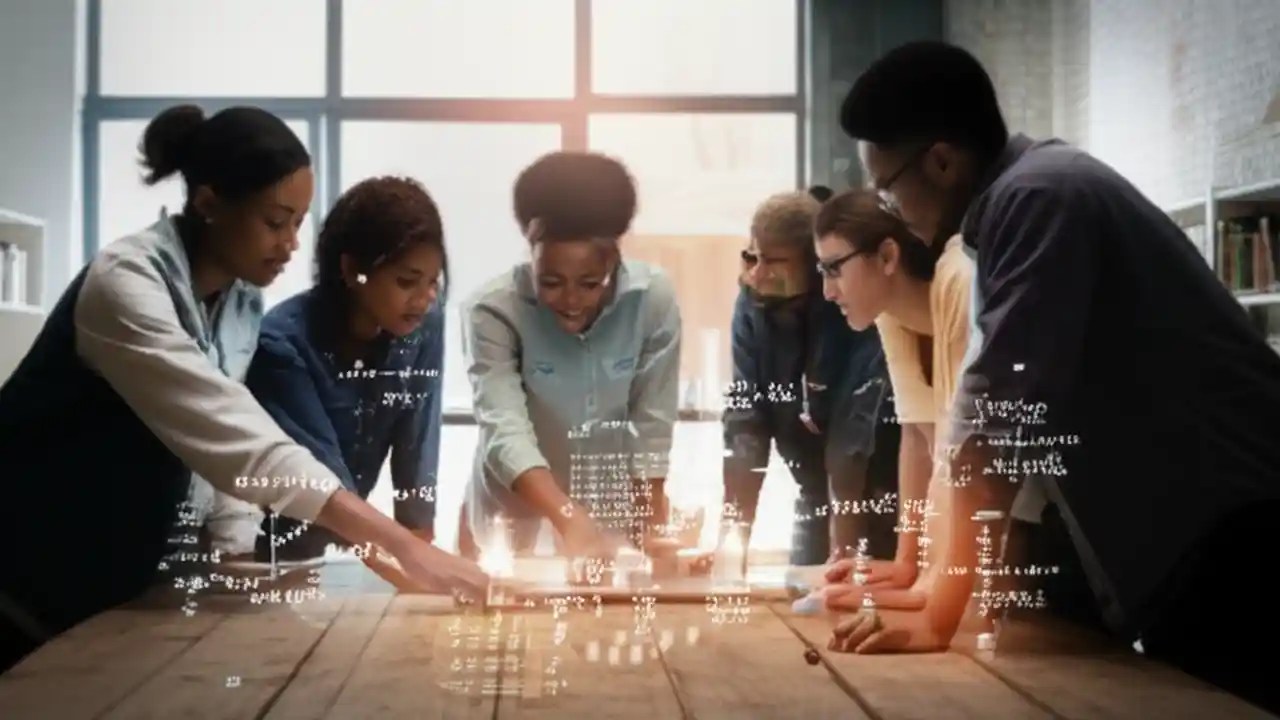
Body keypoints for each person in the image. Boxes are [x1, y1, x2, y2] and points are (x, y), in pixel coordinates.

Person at [826, 40, 1280, 715]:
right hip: (1202, 526)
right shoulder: (1028, 196)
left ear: (942, 161)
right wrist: (938, 583)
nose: (892, 209)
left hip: (1234, 530)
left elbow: (999, 412)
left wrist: (938, 609)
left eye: (888, 189)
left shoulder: (1039, 197)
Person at [0, 105, 486, 674]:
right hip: (22, 566)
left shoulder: (241, 300)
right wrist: (403, 547)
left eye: (299, 222)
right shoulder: (126, 283)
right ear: (209, 204)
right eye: (275, 221)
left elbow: (219, 463)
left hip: (110, 581)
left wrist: (236, 556)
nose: (290, 244)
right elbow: (230, 433)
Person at [460, 151, 681, 561]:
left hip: (606, 514)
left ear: (614, 261)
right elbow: (505, 428)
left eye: (589, 283)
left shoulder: (652, 300)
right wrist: (567, 517)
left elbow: (652, 419)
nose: (572, 300)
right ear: (531, 253)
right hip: (512, 522)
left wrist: (650, 521)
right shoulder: (492, 310)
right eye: (551, 282)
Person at [241, 176, 447, 563]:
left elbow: (417, 439)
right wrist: (412, 565)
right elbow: (325, 481)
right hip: (271, 546)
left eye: (433, 281)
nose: (424, 298)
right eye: (407, 281)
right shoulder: (281, 344)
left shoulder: (423, 325)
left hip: (361, 537)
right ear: (354, 271)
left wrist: (420, 537)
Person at [810, 188, 973, 609]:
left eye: (834, 269)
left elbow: (966, 459)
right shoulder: (891, 311)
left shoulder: (960, 280)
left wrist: (930, 589)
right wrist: (907, 564)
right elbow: (920, 438)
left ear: (886, 257)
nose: (827, 292)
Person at [723, 190, 898, 566]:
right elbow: (745, 424)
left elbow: (850, 445)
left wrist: (841, 560)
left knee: (842, 593)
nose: (757, 273)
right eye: (752, 256)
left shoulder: (853, 308)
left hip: (880, 498)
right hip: (815, 497)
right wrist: (731, 547)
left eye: (775, 261)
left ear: (813, 263)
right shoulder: (751, 305)